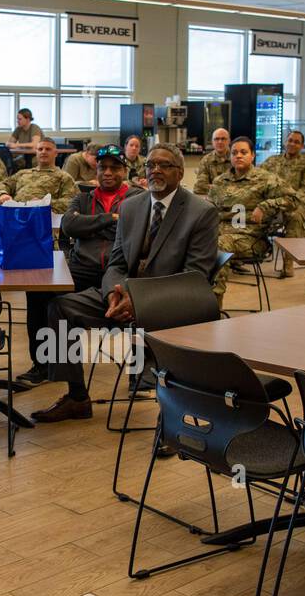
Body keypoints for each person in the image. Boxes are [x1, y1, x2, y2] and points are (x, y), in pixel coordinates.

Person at [29, 143, 218, 423]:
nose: (155, 170)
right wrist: (112, 295)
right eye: (150, 164)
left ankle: (175, 419)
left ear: (179, 172)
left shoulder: (201, 212)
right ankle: (77, 397)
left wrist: (140, 300)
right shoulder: (131, 207)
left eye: (164, 165)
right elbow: (117, 263)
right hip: (126, 294)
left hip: (171, 303)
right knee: (61, 307)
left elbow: (195, 277)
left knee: (153, 325)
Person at [14, 144, 142, 391]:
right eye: (103, 167)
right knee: (40, 292)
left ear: (124, 170)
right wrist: (110, 219)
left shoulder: (136, 198)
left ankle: (140, 373)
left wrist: (92, 225)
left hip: (122, 271)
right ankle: (43, 364)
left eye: (115, 168)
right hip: (82, 268)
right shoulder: (83, 198)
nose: (107, 172)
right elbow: (70, 226)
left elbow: (132, 228)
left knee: (142, 297)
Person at [206, 136, 294, 302]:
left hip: (252, 239)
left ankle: (213, 308)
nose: (238, 156)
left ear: (252, 155)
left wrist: (265, 206)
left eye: (243, 152)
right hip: (218, 234)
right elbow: (208, 209)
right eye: (234, 153)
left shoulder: (266, 179)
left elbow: (293, 200)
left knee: (219, 245)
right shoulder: (220, 181)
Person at [261, 129, 305, 278]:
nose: (292, 144)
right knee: (252, 213)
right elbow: (258, 178)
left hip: (294, 203)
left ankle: (288, 264)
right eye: (290, 140)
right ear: (285, 142)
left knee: (295, 218)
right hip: (271, 201)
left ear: (302, 146)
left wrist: (293, 201)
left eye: (296, 142)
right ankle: (256, 251)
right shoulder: (271, 161)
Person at [0, 138, 78, 211]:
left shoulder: (63, 176)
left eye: (48, 149)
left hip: (43, 217)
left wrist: (44, 203)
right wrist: (3, 194)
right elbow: (1, 186)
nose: (43, 152)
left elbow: (71, 202)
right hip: (16, 214)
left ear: (56, 153)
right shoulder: (22, 173)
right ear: (36, 153)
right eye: (40, 149)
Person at [193, 128, 231, 196]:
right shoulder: (206, 160)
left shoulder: (236, 158)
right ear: (212, 142)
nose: (220, 142)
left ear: (229, 141)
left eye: (223, 139)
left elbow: (242, 186)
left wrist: (212, 187)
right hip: (212, 200)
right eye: (216, 139)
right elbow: (200, 186)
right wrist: (224, 189)